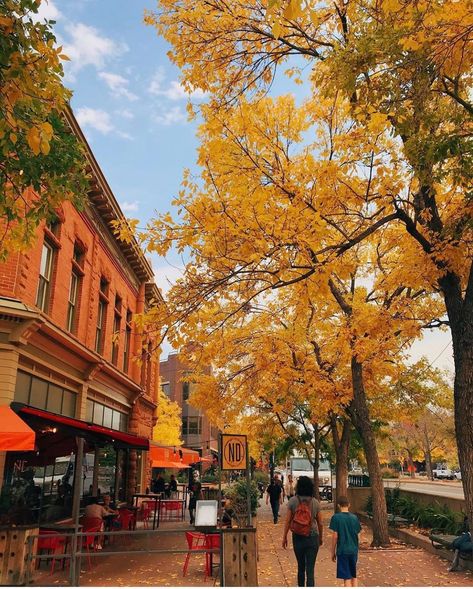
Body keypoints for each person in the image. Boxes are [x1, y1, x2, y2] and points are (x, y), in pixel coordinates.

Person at [282, 476, 323, 587]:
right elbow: (320, 523)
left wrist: (284, 536)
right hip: (312, 537)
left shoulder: (293, 501)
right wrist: (320, 537)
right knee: (310, 570)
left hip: (298, 537)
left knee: (301, 567)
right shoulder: (315, 502)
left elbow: (287, 521)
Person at [329, 496, 361, 587]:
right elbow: (358, 535)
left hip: (343, 550)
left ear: (339, 505)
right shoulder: (354, 518)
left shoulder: (336, 518)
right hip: (353, 550)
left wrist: (333, 552)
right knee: (353, 575)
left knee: (346, 577)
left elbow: (335, 536)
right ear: (349, 505)